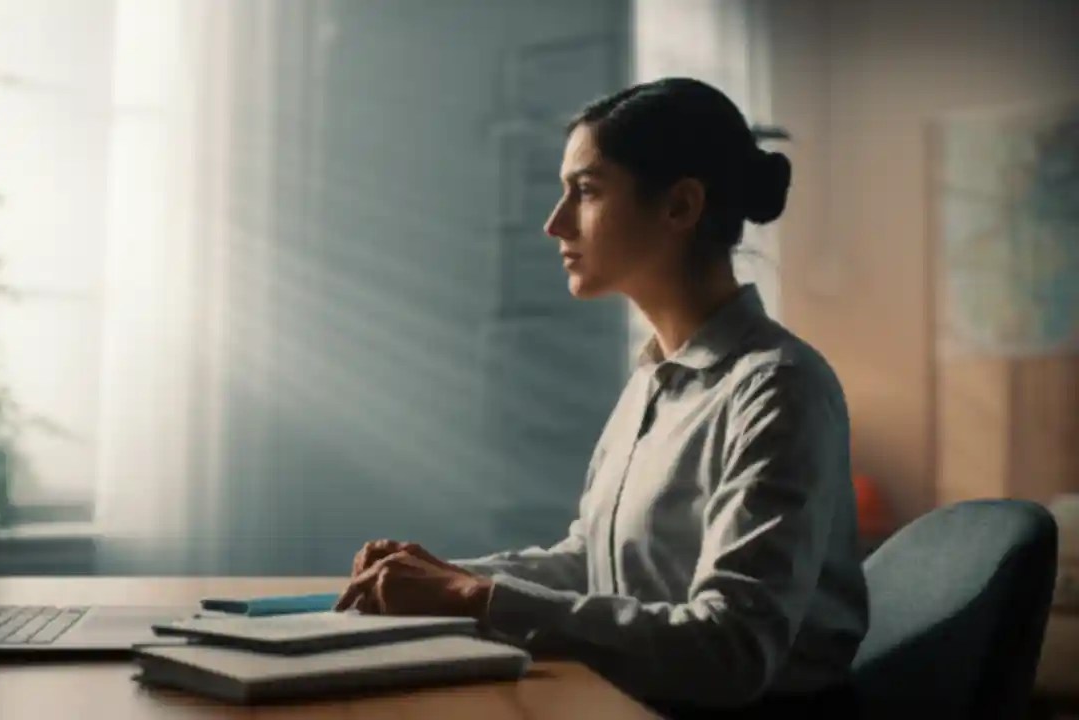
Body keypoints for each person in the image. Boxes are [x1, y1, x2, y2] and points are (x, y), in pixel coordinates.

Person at [334, 78, 869, 716]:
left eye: (586, 191)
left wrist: (474, 598)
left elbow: (732, 649)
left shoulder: (779, 389)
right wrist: (444, 576)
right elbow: (596, 562)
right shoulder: (654, 377)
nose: (554, 222)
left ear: (680, 206)